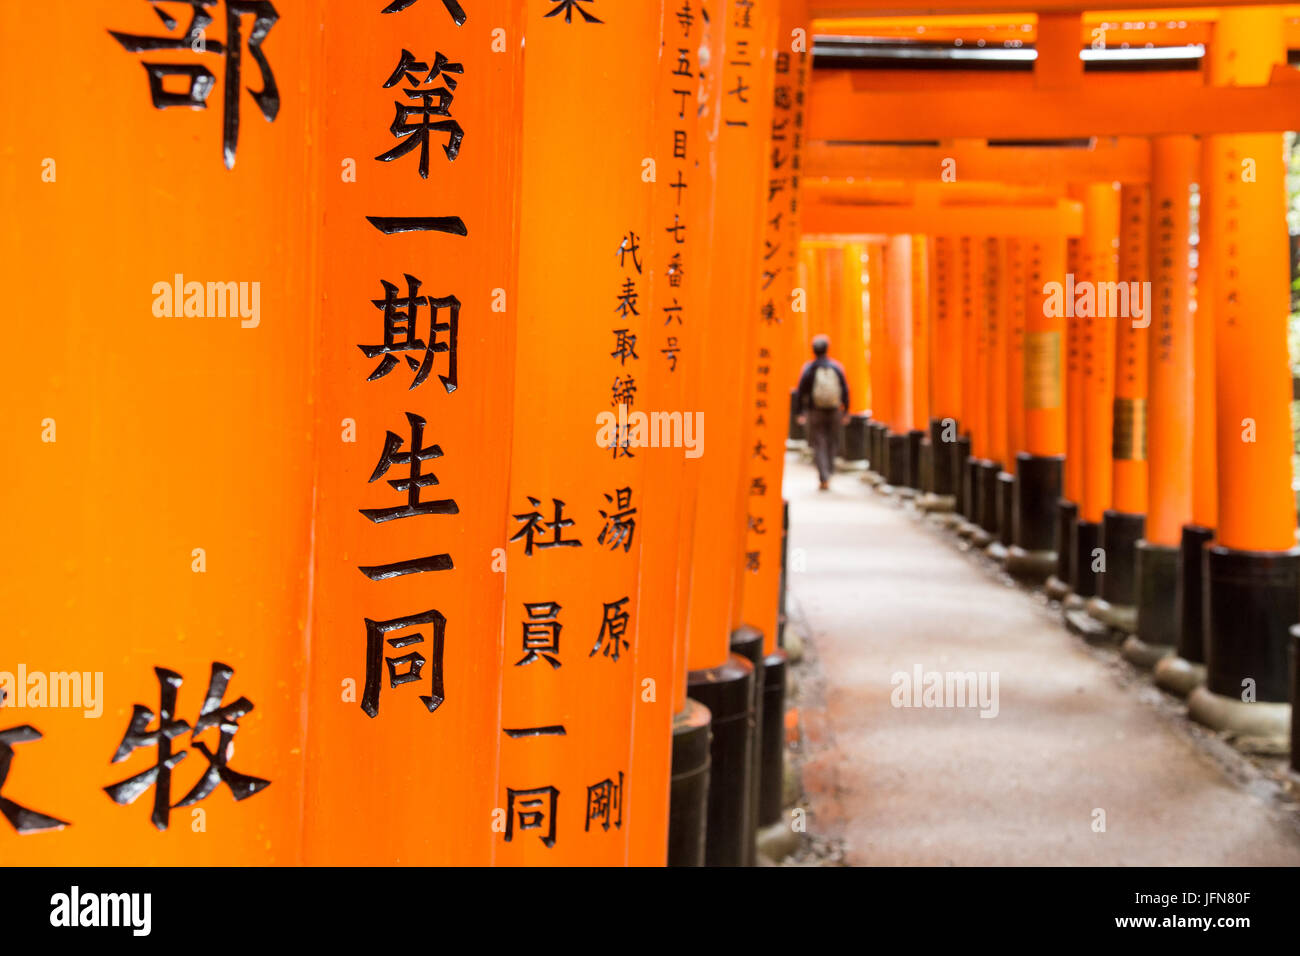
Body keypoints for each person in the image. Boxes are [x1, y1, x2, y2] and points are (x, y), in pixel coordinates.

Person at [795, 334, 850, 491]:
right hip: (834, 410)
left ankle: (823, 475)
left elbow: (801, 391)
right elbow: (845, 389)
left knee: (819, 442)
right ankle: (829, 471)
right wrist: (846, 410)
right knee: (833, 441)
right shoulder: (836, 367)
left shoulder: (809, 368)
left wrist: (800, 412)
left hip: (816, 411)